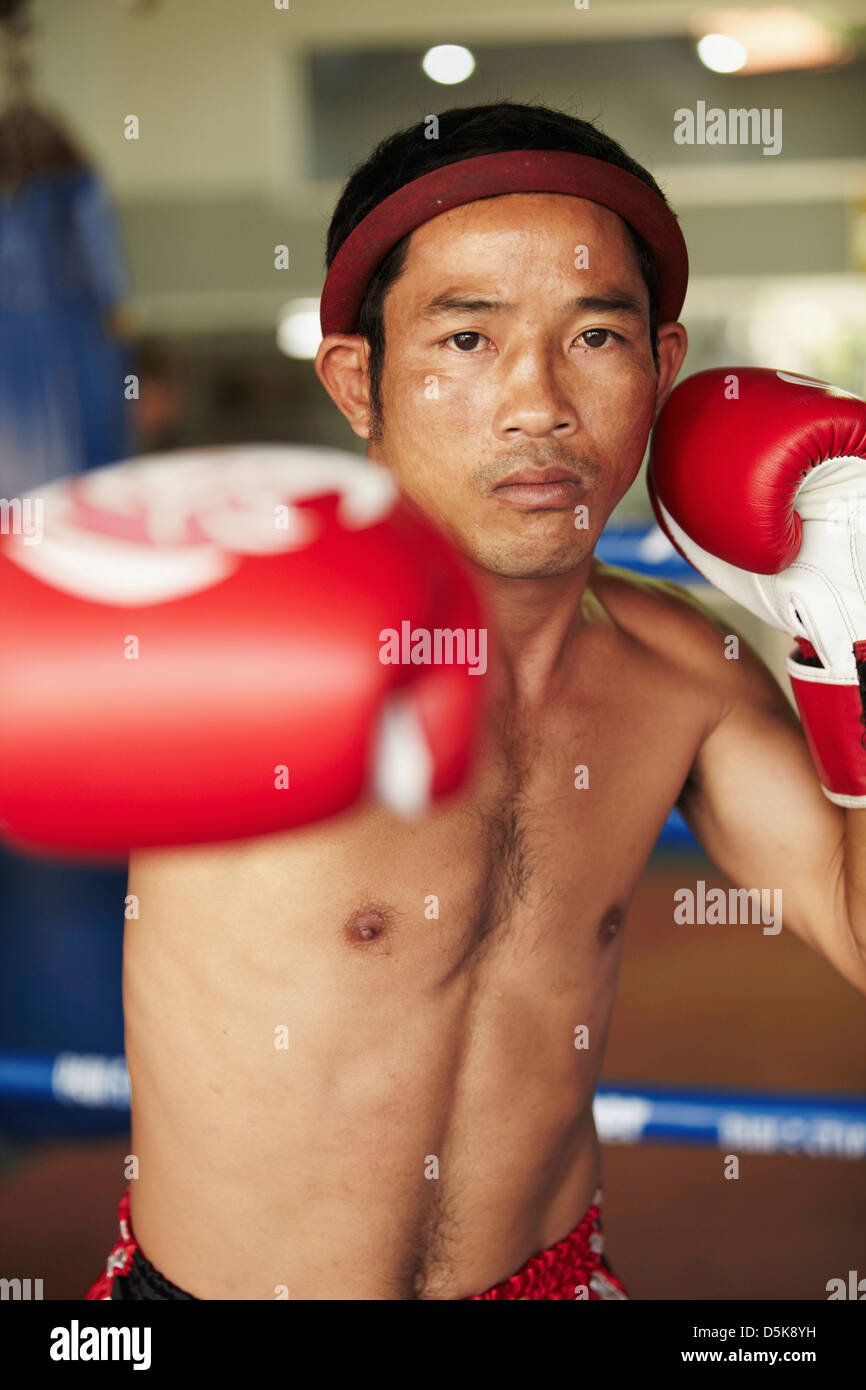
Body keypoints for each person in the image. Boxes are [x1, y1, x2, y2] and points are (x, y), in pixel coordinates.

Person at [49, 100, 866, 1298]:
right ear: (356, 381)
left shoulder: (683, 676)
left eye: (594, 336)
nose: (536, 402)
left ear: (662, 367)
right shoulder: (219, 633)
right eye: (465, 341)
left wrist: (853, 646)